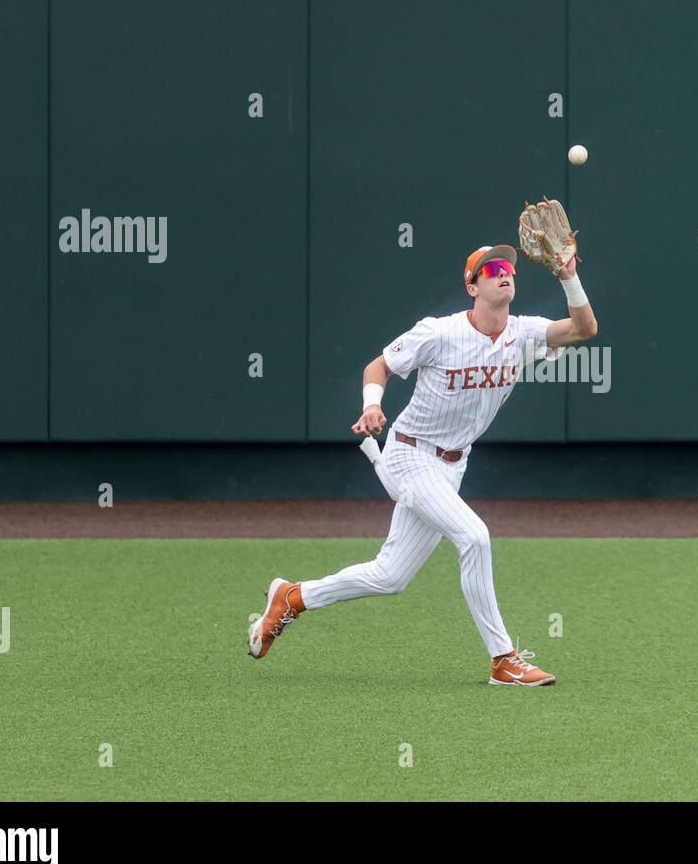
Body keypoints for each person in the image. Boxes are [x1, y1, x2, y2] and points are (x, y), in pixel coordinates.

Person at [248, 241, 597, 686]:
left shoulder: (524, 333)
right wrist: (372, 405)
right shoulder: (439, 332)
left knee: (389, 575)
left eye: (508, 267)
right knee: (475, 536)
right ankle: (503, 659)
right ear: (472, 285)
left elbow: (584, 329)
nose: (503, 272)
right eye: (490, 269)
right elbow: (379, 366)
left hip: (452, 466)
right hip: (409, 454)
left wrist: (568, 274)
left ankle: (293, 597)